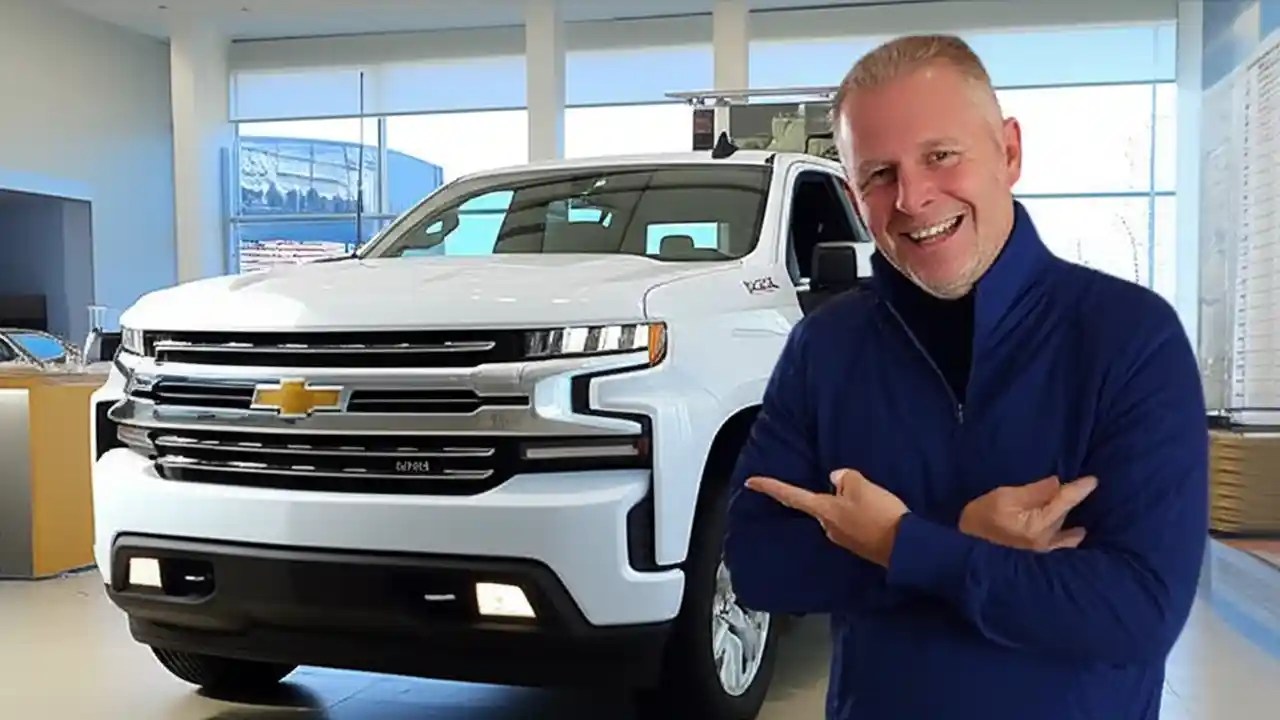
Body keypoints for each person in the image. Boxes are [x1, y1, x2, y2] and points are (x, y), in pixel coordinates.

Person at [723, 34, 1208, 720]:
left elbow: (1135, 610)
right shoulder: (827, 348)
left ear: (1009, 152)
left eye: (940, 156)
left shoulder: (1128, 338)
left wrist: (899, 543)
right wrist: (963, 534)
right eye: (879, 174)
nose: (914, 197)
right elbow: (759, 562)